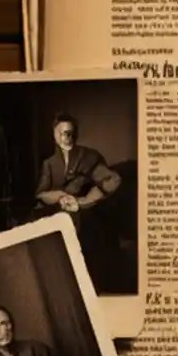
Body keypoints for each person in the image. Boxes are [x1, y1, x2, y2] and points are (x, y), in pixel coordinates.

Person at [34, 113, 122, 288]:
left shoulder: (88, 156)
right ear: (54, 135)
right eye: (62, 133)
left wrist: (82, 201)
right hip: (58, 217)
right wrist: (60, 196)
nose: (67, 137)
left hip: (87, 218)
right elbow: (40, 193)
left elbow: (113, 180)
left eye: (70, 133)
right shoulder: (49, 163)